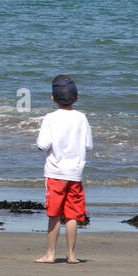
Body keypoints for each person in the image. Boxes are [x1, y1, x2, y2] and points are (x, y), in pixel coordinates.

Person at [35, 75, 92, 264]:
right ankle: (71, 254)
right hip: (75, 173)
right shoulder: (81, 118)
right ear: (76, 98)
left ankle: (50, 253)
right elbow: (88, 144)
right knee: (72, 215)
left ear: (53, 99)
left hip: (55, 173)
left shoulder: (50, 118)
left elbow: (43, 144)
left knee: (54, 214)